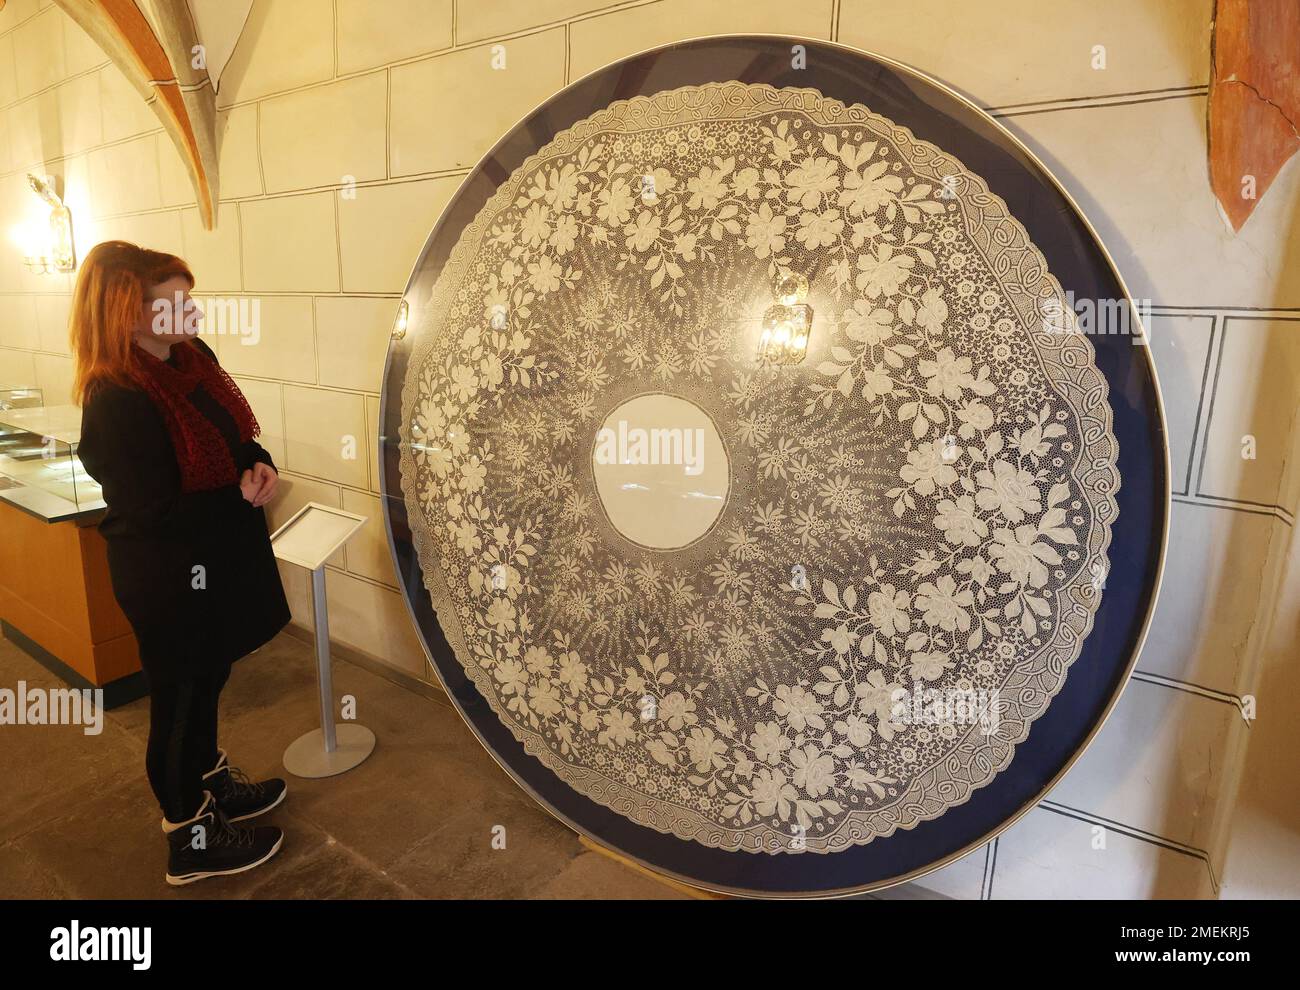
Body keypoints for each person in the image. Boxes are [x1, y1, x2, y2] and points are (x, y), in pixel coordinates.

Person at [72, 241, 291, 885]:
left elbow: (236, 436)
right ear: (128, 312)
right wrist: (235, 496)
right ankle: (188, 833)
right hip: (168, 574)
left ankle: (208, 781)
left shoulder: (195, 362)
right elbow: (154, 512)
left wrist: (258, 464)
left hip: (214, 559)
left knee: (208, 679)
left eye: (189, 297)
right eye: (176, 302)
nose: (193, 311)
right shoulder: (115, 398)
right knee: (179, 696)